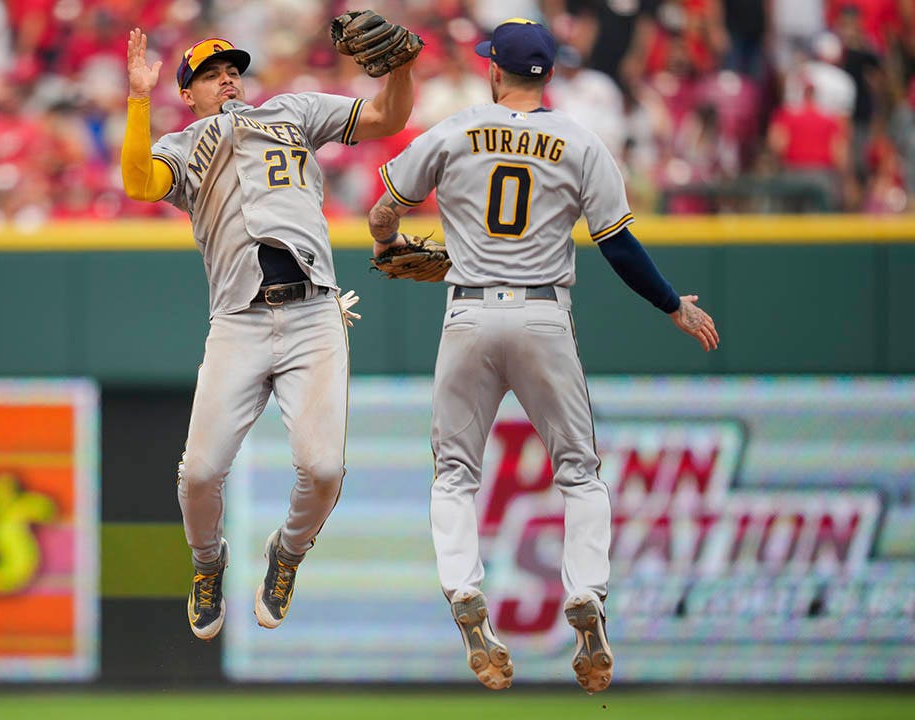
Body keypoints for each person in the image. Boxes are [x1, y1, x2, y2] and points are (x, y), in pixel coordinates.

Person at [366, 19, 718, 692]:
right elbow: (618, 246)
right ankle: (585, 593)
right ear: (546, 74)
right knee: (580, 473)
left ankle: (464, 592)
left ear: (495, 70)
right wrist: (673, 304)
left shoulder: (456, 128)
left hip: (468, 309)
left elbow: (385, 211)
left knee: (454, 476)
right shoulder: (579, 141)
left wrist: (387, 242)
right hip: (543, 313)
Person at [121, 28, 414, 640]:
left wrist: (401, 69)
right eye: (209, 73)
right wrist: (137, 102)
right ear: (188, 92)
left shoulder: (294, 111)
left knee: (324, 468)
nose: (226, 78)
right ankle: (208, 564)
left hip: (314, 316)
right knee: (198, 474)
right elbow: (138, 183)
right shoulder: (181, 143)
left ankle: (287, 554)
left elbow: (387, 116)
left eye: (232, 69)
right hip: (238, 321)